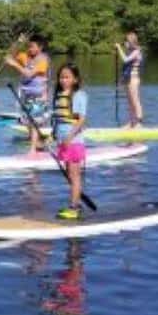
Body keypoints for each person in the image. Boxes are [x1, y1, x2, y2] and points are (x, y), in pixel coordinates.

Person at [52, 63, 88, 219]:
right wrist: (52, 136)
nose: (63, 80)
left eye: (67, 77)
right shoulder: (59, 95)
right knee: (69, 175)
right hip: (63, 141)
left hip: (74, 141)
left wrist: (70, 136)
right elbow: (58, 120)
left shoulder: (79, 95)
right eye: (61, 77)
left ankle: (75, 208)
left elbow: (81, 121)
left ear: (75, 79)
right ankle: (75, 203)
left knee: (74, 175)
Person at [5, 34, 51, 155]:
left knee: (34, 121)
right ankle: (38, 145)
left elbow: (29, 74)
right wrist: (18, 42)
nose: (29, 49)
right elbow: (9, 55)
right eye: (28, 46)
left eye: (32, 47)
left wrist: (15, 64)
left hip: (39, 96)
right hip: (26, 95)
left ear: (40, 47)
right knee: (27, 122)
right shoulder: (25, 56)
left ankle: (33, 150)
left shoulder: (43, 60)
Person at [115, 31, 143, 128]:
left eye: (126, 41)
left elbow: (126, 60)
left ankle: (139, 122)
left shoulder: (136, 51)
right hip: (128, 79)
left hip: (134, 79)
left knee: (135, 100)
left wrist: (119, 48)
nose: (125, 43)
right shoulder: (130, 52)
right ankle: (131, 122)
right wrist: (121, 81)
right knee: (130, 101)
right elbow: (126, 67)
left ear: (131, 42)